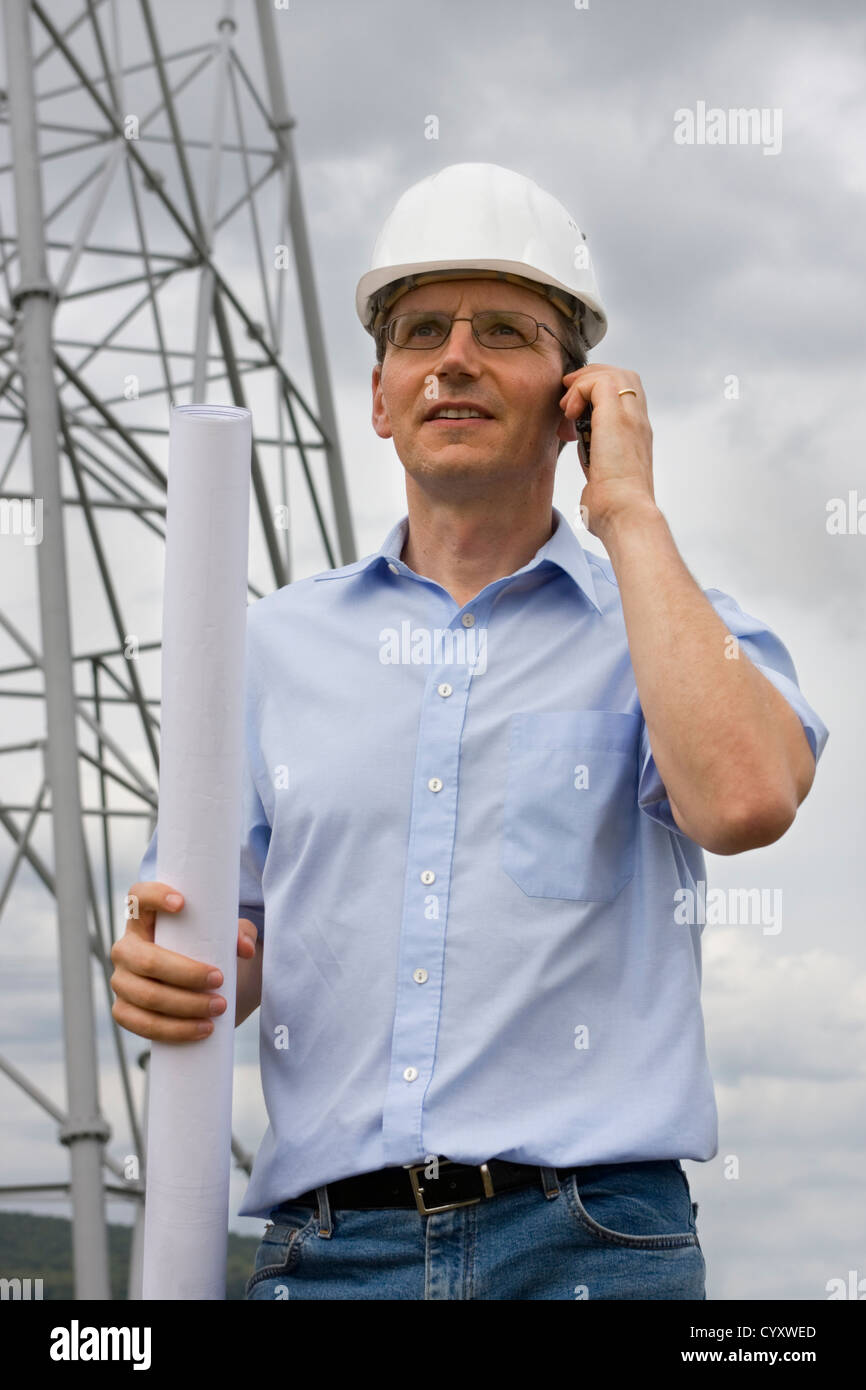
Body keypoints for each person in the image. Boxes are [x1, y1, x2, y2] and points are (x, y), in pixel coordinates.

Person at [111, 163, 828, 1300]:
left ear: (576, 394)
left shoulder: (668, 629)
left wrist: (627, 509)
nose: (454, 356)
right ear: (381, 397)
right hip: (330, 1253)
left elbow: (742, 800)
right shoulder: (266, 649)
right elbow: (205, 948)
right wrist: (167, 972)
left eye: (504, 330)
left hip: (591, 1244)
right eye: (419, 332)